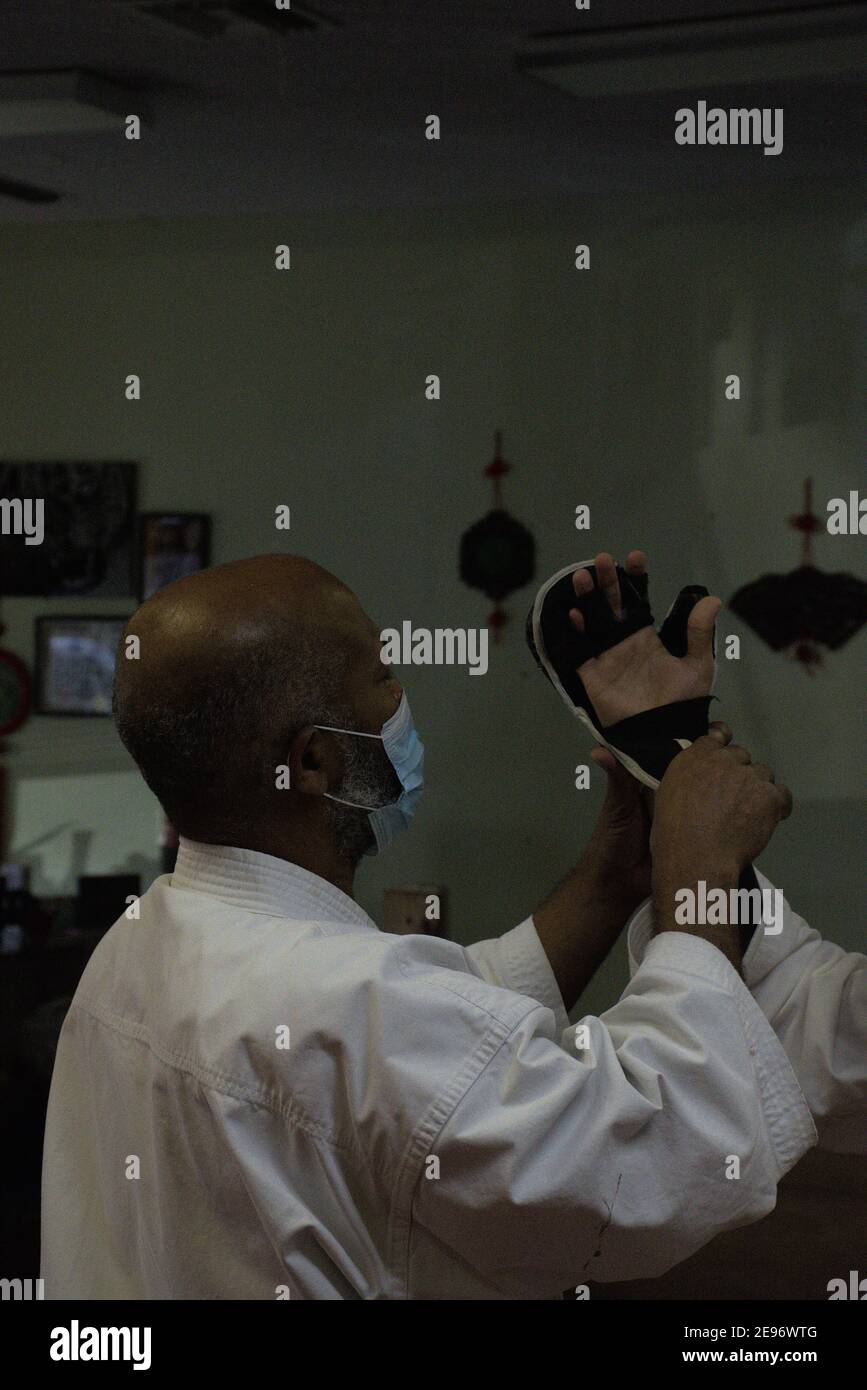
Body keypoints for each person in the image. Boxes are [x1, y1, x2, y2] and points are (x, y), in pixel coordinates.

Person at [40, 551, 865, 1299]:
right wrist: (699, 876)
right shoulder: (340, 1002)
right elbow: (652, 1158)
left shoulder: (144, 937)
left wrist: (616, 879)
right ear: (317, 761)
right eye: (383, 677)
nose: (402, 699)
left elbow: (432, 1052)